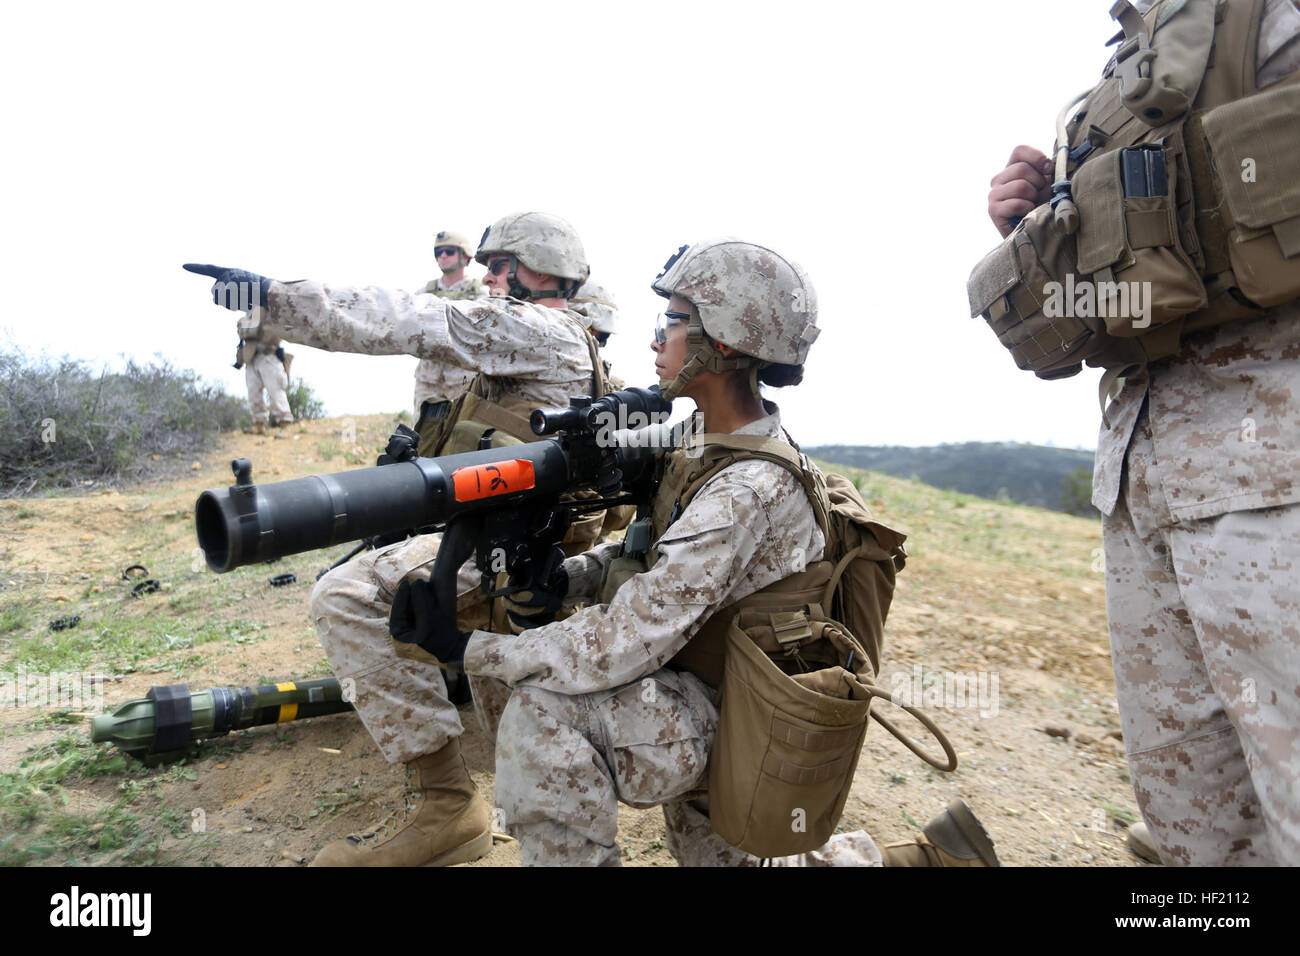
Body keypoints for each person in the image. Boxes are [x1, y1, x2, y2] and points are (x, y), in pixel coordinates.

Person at [399, 238, 1001, 866]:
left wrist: (467, 648)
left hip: (742, 712)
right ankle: (927, 859)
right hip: (712, 683)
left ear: (727, 341)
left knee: (543, 716)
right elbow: (651, 556)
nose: (658, 339)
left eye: (676, 320)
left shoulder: (747, 488)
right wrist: (570, 580)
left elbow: (621, 643)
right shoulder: (700, 442)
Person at [184, 211, 622, 867]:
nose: (486, 275)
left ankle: (449, 805)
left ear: (546, 273)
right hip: (507, 549)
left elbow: (408, 318)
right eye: (485, 263)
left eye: (502, 265)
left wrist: (273, 298)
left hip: (516, 556)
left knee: (346, 594)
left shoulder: (539, 329)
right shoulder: (541, 343)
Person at [983, 0, 1300, 864]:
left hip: (1275, 466)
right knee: (1194, 824)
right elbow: (1100, 311)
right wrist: (1042, 228)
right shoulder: (1118, 78)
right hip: (1144, 469)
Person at [411, 230, 485, 443]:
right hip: (429, 379)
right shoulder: (425, 293)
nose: (442, 256)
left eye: (449, 251)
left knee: (458, 437)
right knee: (422, 436)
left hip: (462, 380)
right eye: (438, 252)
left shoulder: (480, 294)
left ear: (465, 256)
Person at [234, 309, 293, 434]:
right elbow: (244, 331)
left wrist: (254, 327)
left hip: (269, 356)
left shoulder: (273, 309)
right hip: (251, 357)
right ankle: (258, 425)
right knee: (253, 392)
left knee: (275, 390)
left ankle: (285, 425)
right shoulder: (251, 312)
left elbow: (272, 334)